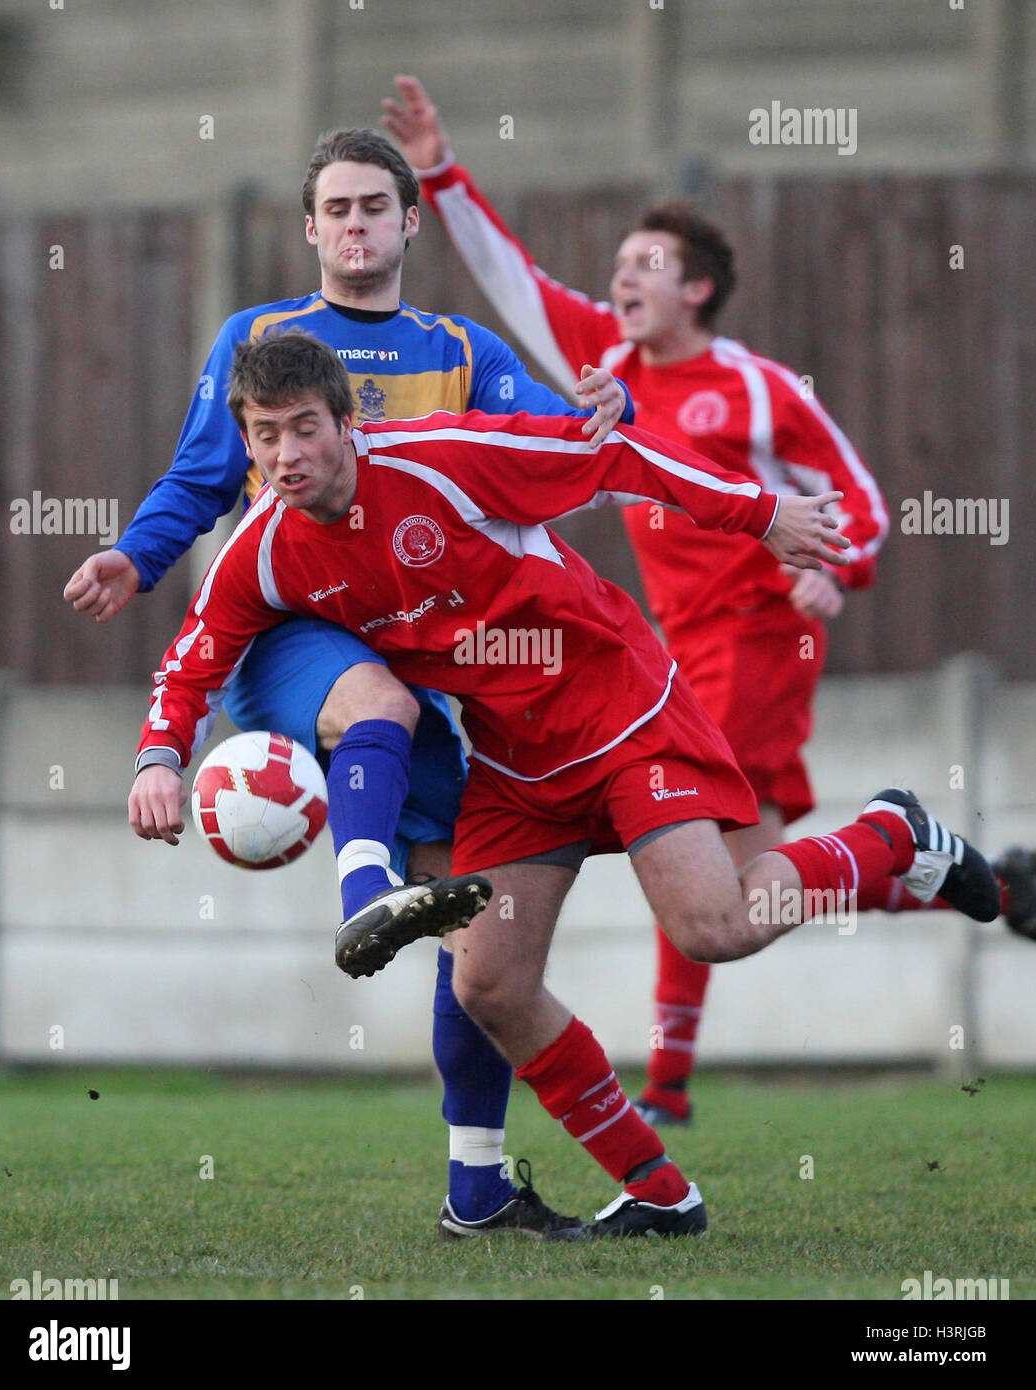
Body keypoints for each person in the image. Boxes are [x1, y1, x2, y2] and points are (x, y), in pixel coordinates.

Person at [128, 330, 1001, 1237]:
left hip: (617, 707)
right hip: (515, 753)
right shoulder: (261, 548)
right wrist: (160, 757)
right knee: (489, 984)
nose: (285, 455)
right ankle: (661, 1197)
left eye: (304, 428)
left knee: (715, 927)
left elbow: (608, 450)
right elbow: (193, 662)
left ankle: (891, 837)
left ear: (348, 422)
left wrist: (758, 512)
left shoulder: (447, 458)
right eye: (264, 436)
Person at [381, 75, 1036, 1126]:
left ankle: (669, 1089)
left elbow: (858, 498)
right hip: (672, 655)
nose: (618, 280)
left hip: (755, 646)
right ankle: (944, 866)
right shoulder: (610, 359)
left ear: (697, 290)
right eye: (617, 267)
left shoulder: (759, 387)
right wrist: (440, 170)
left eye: (643, 266)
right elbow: (514, 278)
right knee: (747, 883)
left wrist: (837, 564)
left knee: (688, 871)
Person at [63, 126, 634, 1239]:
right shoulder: (262, 341)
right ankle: (359, 891)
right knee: (375, 699)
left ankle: (475, 1189)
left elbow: (547, 444)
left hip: (418, 659)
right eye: (338, 208)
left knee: (474, 921)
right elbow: (200, 474)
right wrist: (135, 557)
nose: (357, 226)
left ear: (409, 222)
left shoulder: (458, 346)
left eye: (377, 206)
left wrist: (607, 411)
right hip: (287, 631)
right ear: (313, 225)